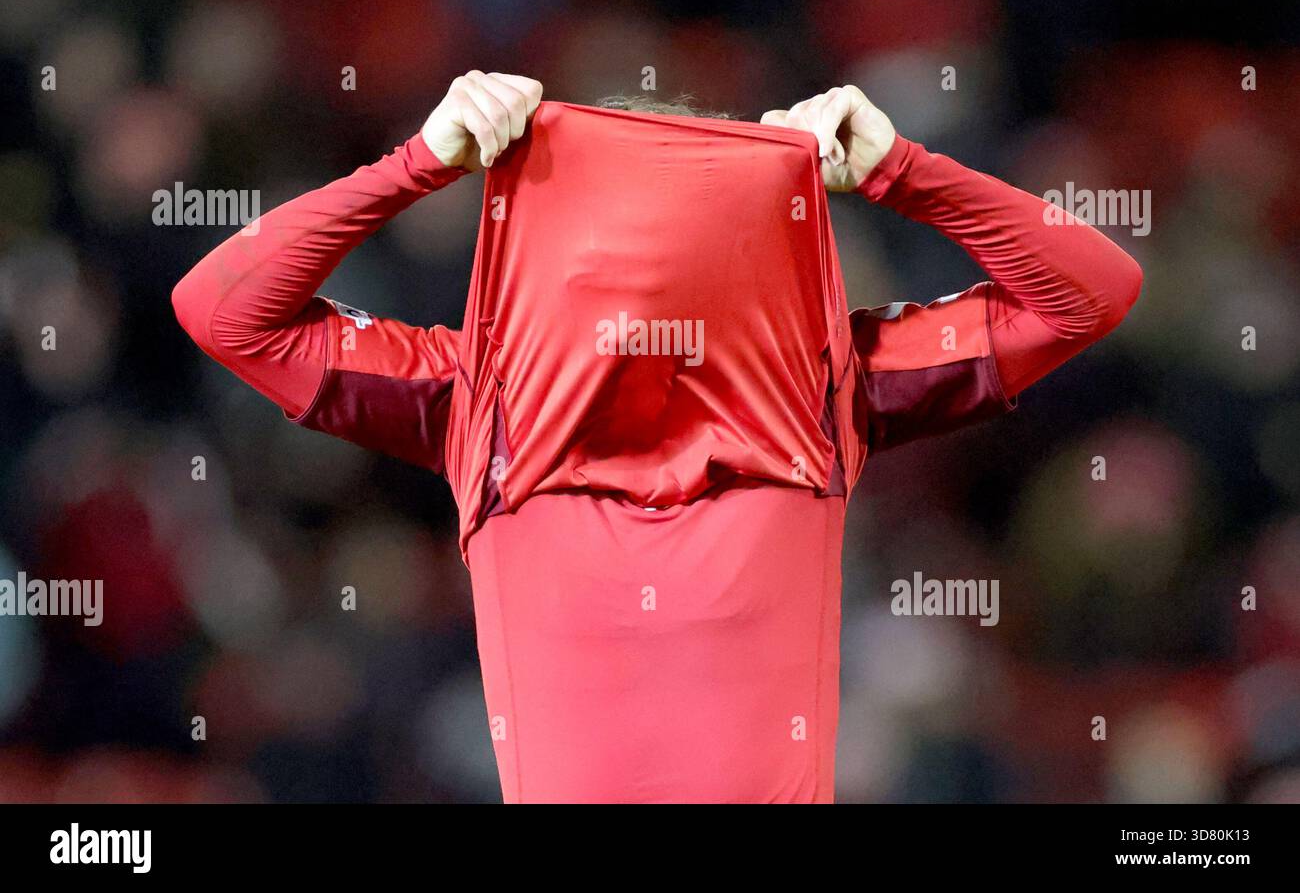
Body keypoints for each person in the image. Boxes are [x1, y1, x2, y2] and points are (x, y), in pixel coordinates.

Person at [173, 70, 1142, 802]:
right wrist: (419, 160)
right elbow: (223, 310)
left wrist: (900, 169)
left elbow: (1091, 293)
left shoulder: (829, 385)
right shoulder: (476, 395)